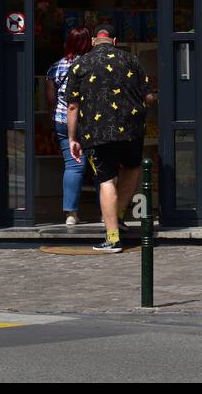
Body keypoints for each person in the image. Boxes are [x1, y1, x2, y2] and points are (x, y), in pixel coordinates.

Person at [66, 21, 158, 253]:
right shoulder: (132, 61)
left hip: (97, 133)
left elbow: (73, 106)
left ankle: (113, 237)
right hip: (131, 130)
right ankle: (118, 216)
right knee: (132, 167)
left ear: (95, 40)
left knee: (106, 180)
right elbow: (148, 98)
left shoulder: (80, 64)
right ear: (116, 41)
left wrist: (72, 138)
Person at [44, 26, 92, 226]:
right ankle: (107, 213)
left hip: (63, 121)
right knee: (101, 167)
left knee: (73, 167)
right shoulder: (92, 65)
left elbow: (50, 98)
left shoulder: (55, 67)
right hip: (90, 122)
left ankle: (71, 214)